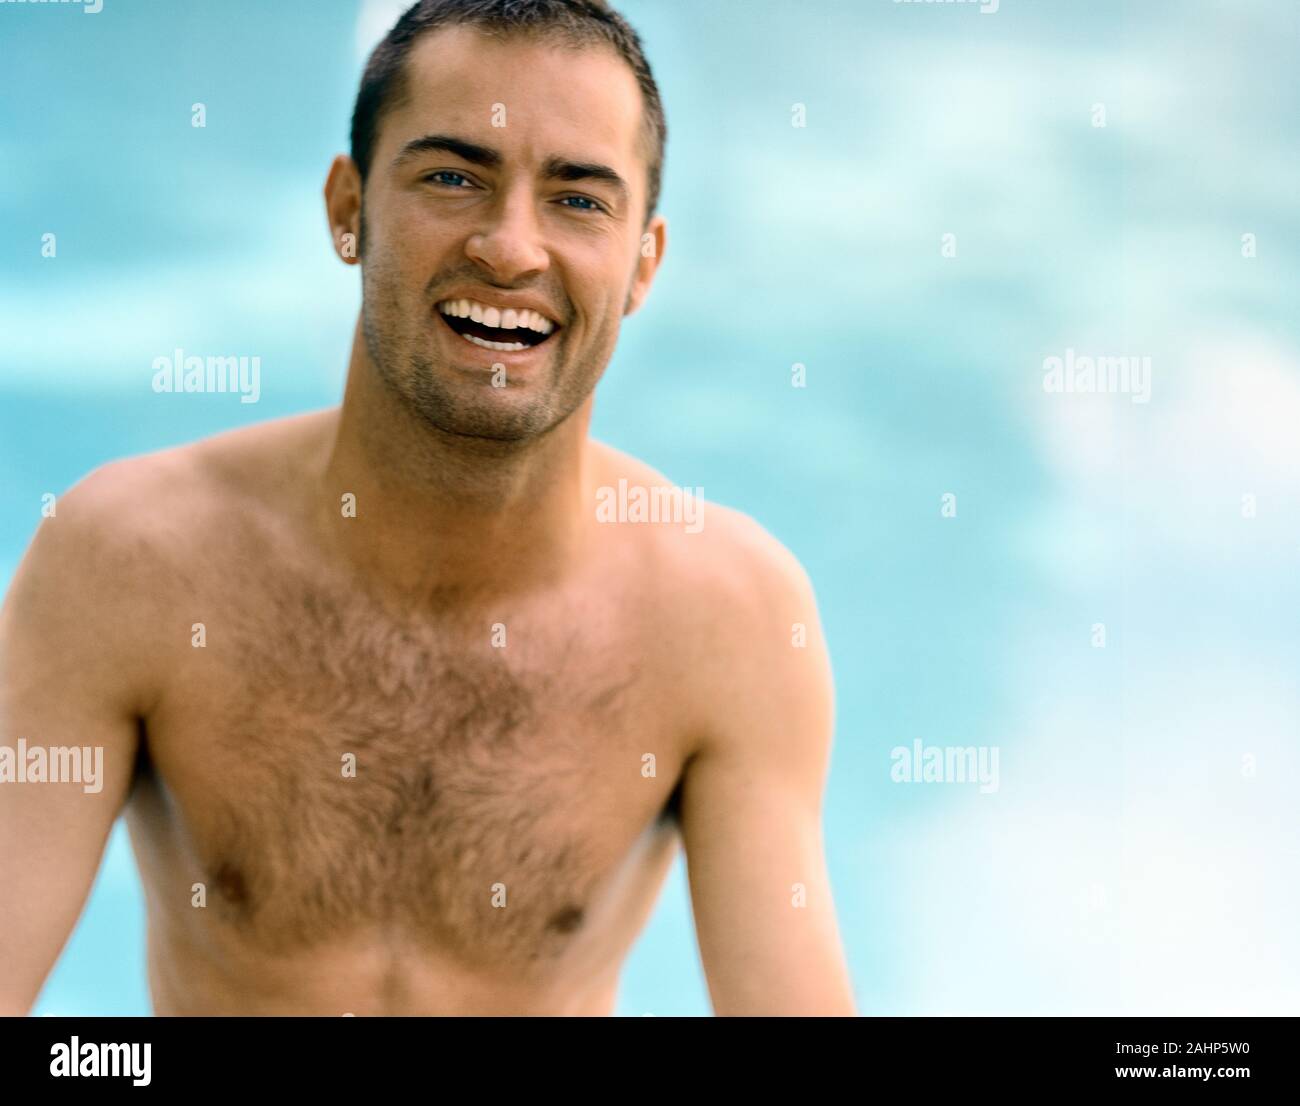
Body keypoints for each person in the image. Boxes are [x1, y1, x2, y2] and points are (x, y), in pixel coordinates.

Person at [0, 0, 855, 1016]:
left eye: (578, 199)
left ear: (642, 265)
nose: (508, 247)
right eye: (453, 177)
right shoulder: (129, 560)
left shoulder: (731, 618)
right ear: (346, 208)